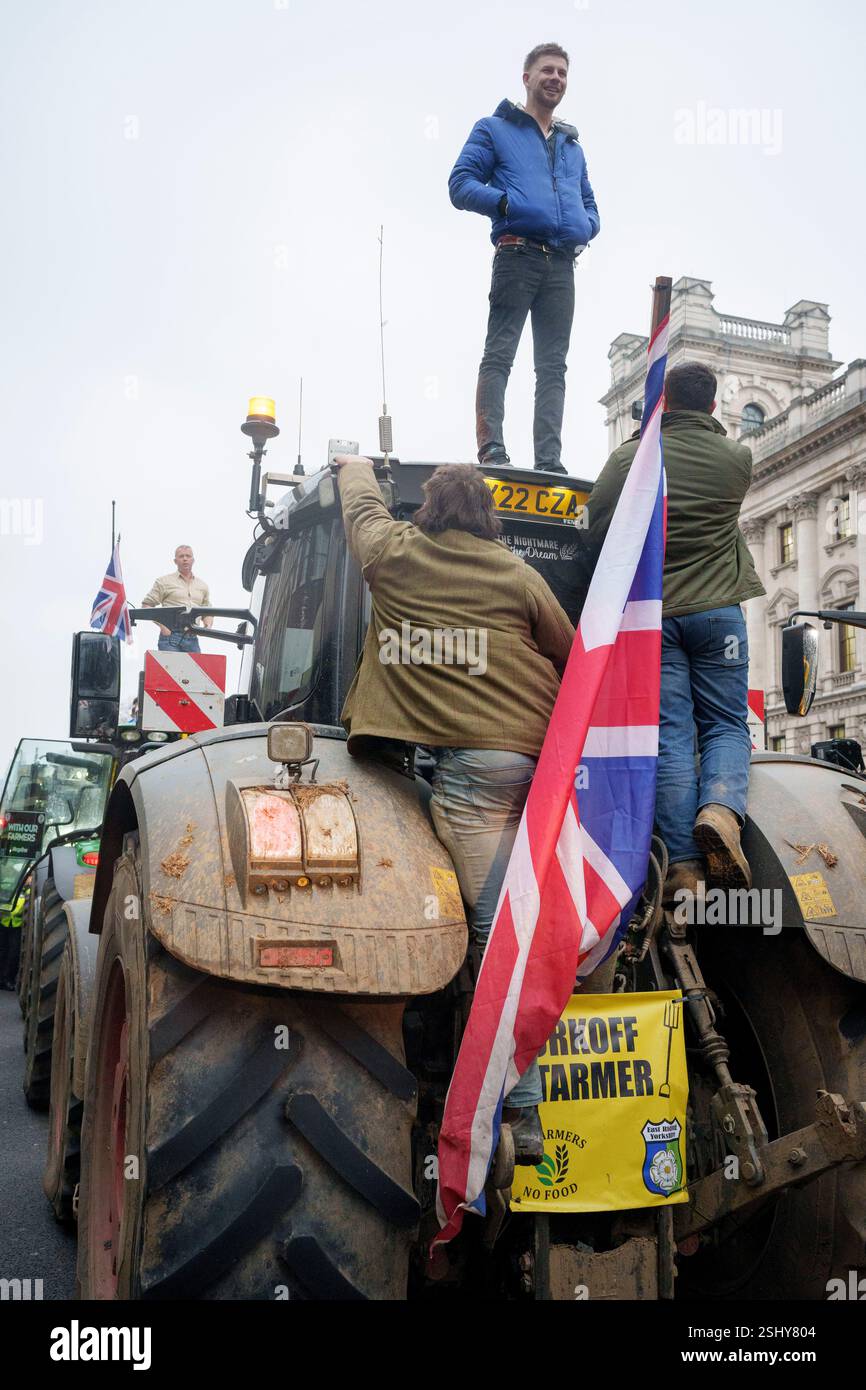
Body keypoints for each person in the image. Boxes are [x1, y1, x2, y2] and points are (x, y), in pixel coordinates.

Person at [334, 453, 574, 1162]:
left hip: (471, 770)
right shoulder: (516, 572)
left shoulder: (399, 554)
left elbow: (363, 515)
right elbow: (566, 648)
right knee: (528, 909)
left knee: (493, 932)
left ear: (430, 512)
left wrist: (355, 466)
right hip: (538, 764)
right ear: (488, 517)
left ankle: (522, 1115)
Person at [586, 362, 765, 900]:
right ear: (714, 406)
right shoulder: (737, 459)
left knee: (670, 735)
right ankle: (720, 810)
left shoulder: (631, 460)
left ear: (662, 401)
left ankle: (684, 866)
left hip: (655, 619)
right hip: (720, 616)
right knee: (727, 725)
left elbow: (596, 524)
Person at [449, 42, 600, 474]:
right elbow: (460, 183)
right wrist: (505, 205)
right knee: (500, 354)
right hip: (516, 252)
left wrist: (587, 226)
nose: (556, 79)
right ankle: (492, 449)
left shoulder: (572, 147)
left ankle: (549, 462)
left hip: (562, 264)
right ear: (527, 78)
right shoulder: (495, 128)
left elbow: (589, 202)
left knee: (553, 366)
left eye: (563, 74)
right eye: (547, 71)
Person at [141, 545, 213, 652]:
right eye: (181, 556)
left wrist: (208, 625)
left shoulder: (203, 586)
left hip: (193, 637)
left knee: (195, 669)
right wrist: (163, 627)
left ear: (193, 560)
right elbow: (146, 605)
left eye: (188, 556)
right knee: (172, 668)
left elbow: (207, 610)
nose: (185, 559)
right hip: (170, 637)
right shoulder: (163, 582)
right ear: (175, 561)